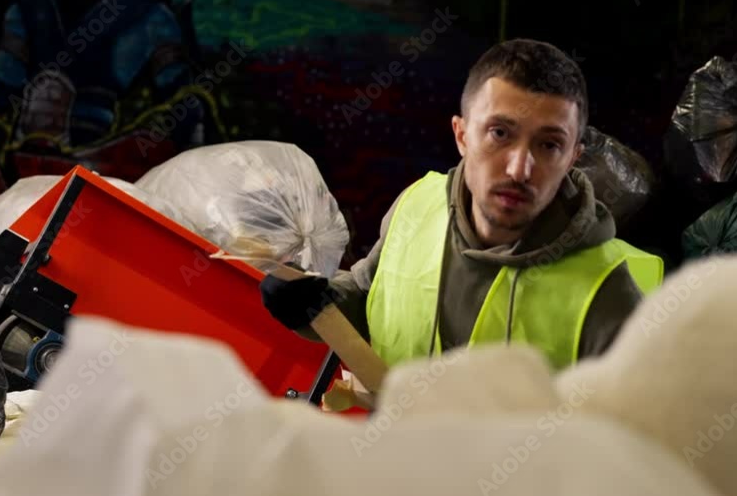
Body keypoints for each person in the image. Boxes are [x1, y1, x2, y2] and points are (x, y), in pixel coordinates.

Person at [260, 39, 663, 371]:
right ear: (462, 134)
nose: (520, 168)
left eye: (549, 144)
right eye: (500, 132)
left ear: (573, 157)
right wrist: (315, 304)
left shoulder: (610, 298)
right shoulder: (417, 207)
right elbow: (369, 300)